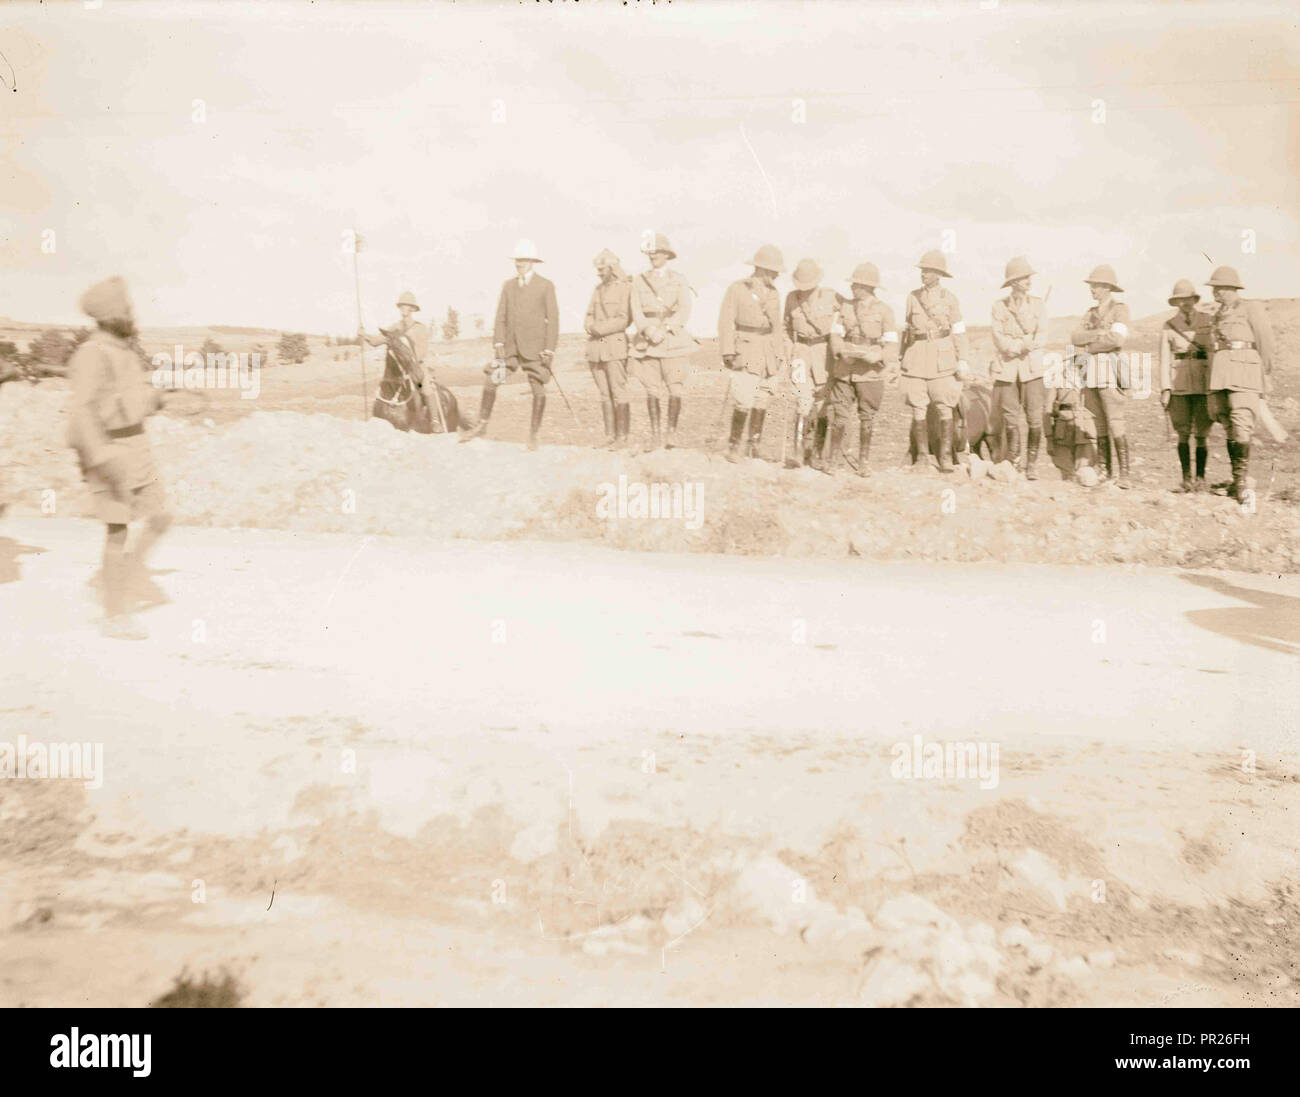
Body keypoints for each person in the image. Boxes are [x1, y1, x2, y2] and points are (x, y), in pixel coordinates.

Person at [65, 276, 173, 640]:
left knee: (160, 517)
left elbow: (129, 402)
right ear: (111, 316)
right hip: (111, 455)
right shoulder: (92, 355)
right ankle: (113, 616)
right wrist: (100, 457)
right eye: (127, 310)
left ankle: (109, 581)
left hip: (136, 450)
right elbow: (81, 411)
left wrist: (154, 399)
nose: (132, 314)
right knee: (117, 533)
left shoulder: (124, 352)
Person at [460, 239, 559, 450]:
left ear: (532, 261)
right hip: (510, 350)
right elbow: (500, 316)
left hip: (535, 350)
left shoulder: (545, 286)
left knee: (538, 391)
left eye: (523, 260)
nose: (519, 263)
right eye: (517, 260)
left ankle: (533, 436)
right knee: (491, 381)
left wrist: (549, 350)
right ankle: (481, 425)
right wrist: (498, 342)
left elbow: (553, 320)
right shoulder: (509, 286)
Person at [819, 262, 898, 477]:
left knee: (867, 417)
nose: (853, 288)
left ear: (868, 287)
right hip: (845, 370)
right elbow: (835, 334)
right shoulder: (845, 308)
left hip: (870, 373)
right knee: (840, 415)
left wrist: (878, 355)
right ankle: (833, 461)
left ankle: (863, 462)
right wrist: (841, 351)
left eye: (857, 285)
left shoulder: (885, 311)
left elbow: (892, 344)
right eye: (853, 285)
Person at [1204, 265, 1274, 502]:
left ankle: (1242, 483)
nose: (1216, 293)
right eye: (1214, 288)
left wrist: (1263, 375)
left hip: (1245, 372)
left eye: (1220, 288)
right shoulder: (1217, 315)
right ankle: (1236, 481)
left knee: (1242, 422)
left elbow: (1265, 343)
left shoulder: (1251, 309)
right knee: (1229, 425)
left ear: (1233, 288)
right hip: (1221, 375)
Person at [900, 249, 971, 473]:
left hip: (943, 358)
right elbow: (907, 329)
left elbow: (959, 332)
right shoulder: (912, 297)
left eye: (928, 271)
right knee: (918, 408)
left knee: (945, 407)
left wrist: (963, 359)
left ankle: (946, 457)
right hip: (917, 358)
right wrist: (901, 358)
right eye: (922, 270)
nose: (923, 274)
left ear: (938, 274)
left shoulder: (950, 299)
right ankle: (922, 457)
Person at [718, 245, 786, 463]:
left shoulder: (774, 294)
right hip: (745, 347)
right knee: (743, 398)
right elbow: (725, 320)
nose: (776, 275)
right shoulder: (738, 289)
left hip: (768, 349)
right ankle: (733, 446)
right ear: (762, 269)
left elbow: (777, 327)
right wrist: (728, 351)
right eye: (773, 271)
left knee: (763, 397)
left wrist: (779, 353)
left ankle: (753, 445)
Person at [629, 232, 696, 450]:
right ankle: (655, 435)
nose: (653, 256)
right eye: (650, 252)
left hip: (673, 341)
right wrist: (648, 330)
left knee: (675, 388)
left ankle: (671, 435)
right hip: (648, 342)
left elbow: (685, 308)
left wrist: (665, 328)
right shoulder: (639, 280)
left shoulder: (679, 279)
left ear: (667, 254)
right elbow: (636, 309)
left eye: (657, 252)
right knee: (652, 389)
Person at [1069, 264, 1132, 488]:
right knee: (1100, 425)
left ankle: (1125, 475)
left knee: (1115, 422)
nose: (1092, 289)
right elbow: (1075, 336)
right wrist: (1098, 334)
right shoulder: (1090, 313)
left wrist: (1089, 348)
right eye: (1091, 285)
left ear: (1107, 287)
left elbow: (1117, 339)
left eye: (1095, 285)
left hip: (1110, 372)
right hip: (1091, 374)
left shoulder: (1119, 310)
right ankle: (1105, 470)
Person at [989, 256, 1048, 479]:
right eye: (1024, 278)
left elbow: (1042, 336)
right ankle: (1014, 462)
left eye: (1029, 278)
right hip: (1007, 370)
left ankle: (1031, 465)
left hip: (1032, 370)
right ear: (1013, 282)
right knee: (1010, 419)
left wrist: (1030, 344)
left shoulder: (1038, 305)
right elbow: (998, 338)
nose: (1028, 282)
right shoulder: (999, 307)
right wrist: (1020, 345)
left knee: (1034, 418)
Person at [782, 258, 841, 468]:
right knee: (801, 400)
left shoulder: (831, 296)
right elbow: (787, 328)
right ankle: (798, 453)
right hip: (800, 353)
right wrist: (789, 354)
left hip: (823, 352)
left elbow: (846, 319)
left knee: (822, 403)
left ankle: (816, 453)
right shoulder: (791, 298)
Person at [1157, 278, 1214, 492]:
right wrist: (1165, 389)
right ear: (1176, 303)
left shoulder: (1208, 320)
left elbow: (1212, 353)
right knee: (1182, 432)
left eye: (1188, 299)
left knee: (1202, 433)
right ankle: (1186, 479)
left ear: (1195, 299)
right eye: (1180, 300)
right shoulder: (1168, 326)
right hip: (1178, 384)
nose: (1185, 303)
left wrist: (1214, 386)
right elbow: (1164, 359)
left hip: (1203, 384)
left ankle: (1200, 479)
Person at [362, 291, 447, 432]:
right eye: (401, 306)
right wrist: (363, 334)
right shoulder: (395, 327)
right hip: (400, 367)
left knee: (425, 386)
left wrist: (410, 363)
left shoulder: (420, 328)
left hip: (415, 367)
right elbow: (377, 340)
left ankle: (435, 421)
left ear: (413, 309)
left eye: (406, 306)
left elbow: (422, 350)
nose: (403, 308)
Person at [584, 249, 633, 449]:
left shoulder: (625, 288)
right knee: (604, 394)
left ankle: (622, 438)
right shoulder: (597, 290)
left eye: (602, 269)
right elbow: (589, 314)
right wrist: (589, 325)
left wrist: (598, 328)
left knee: (618, 392)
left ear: (612, 268)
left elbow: (624, 319)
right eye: (598, 269)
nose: (599, 273)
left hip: (615, 348)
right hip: (595, 350)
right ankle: (609, 436)